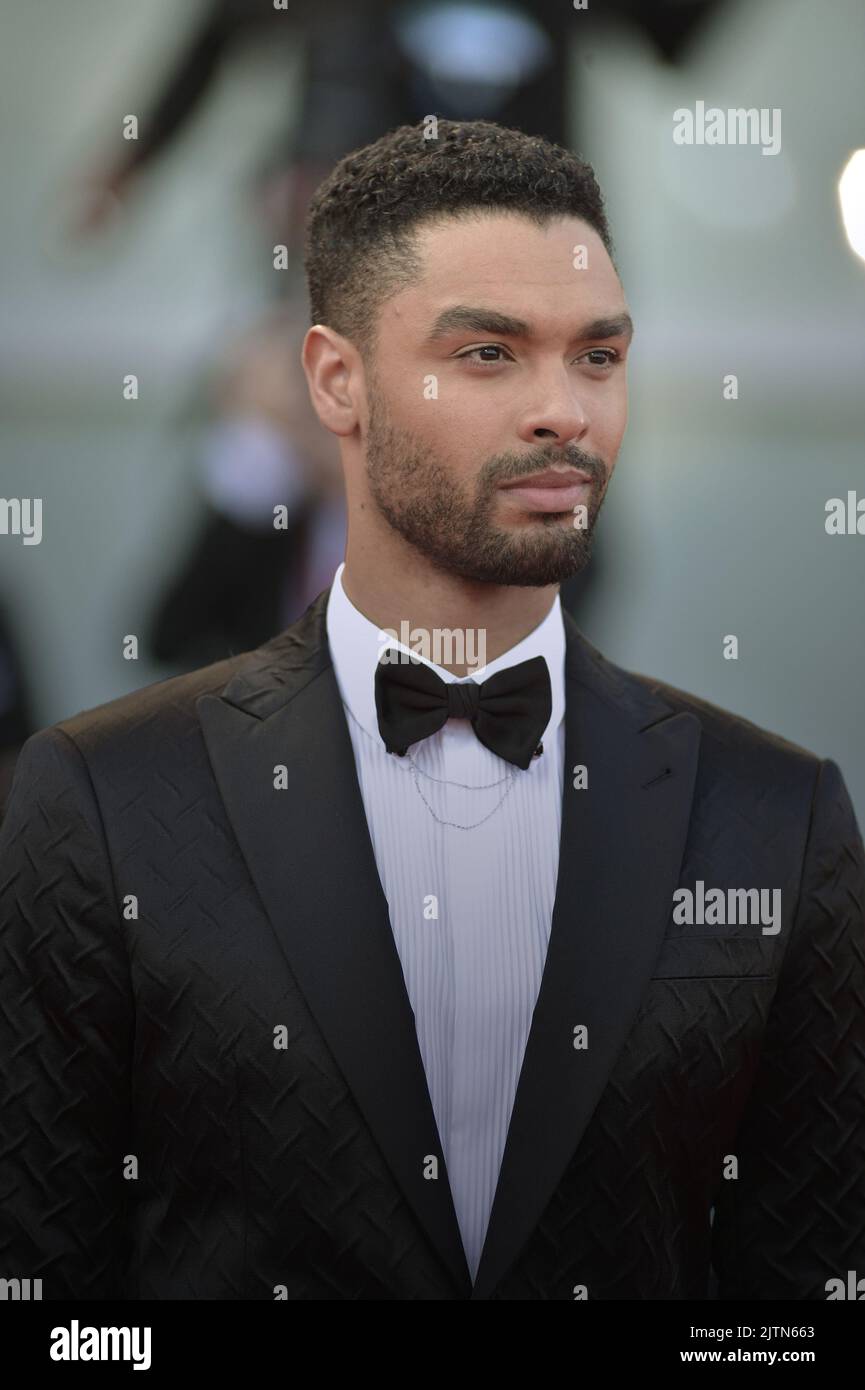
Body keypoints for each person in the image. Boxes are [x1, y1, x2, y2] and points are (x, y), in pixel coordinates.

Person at [1, 120, 863, 1302]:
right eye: (490, 355)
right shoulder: (104, 802)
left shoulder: (775, 817)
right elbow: (44, 1302)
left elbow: (803, 1307)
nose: (565, 409)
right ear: (335, 381)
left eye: (599, 357)